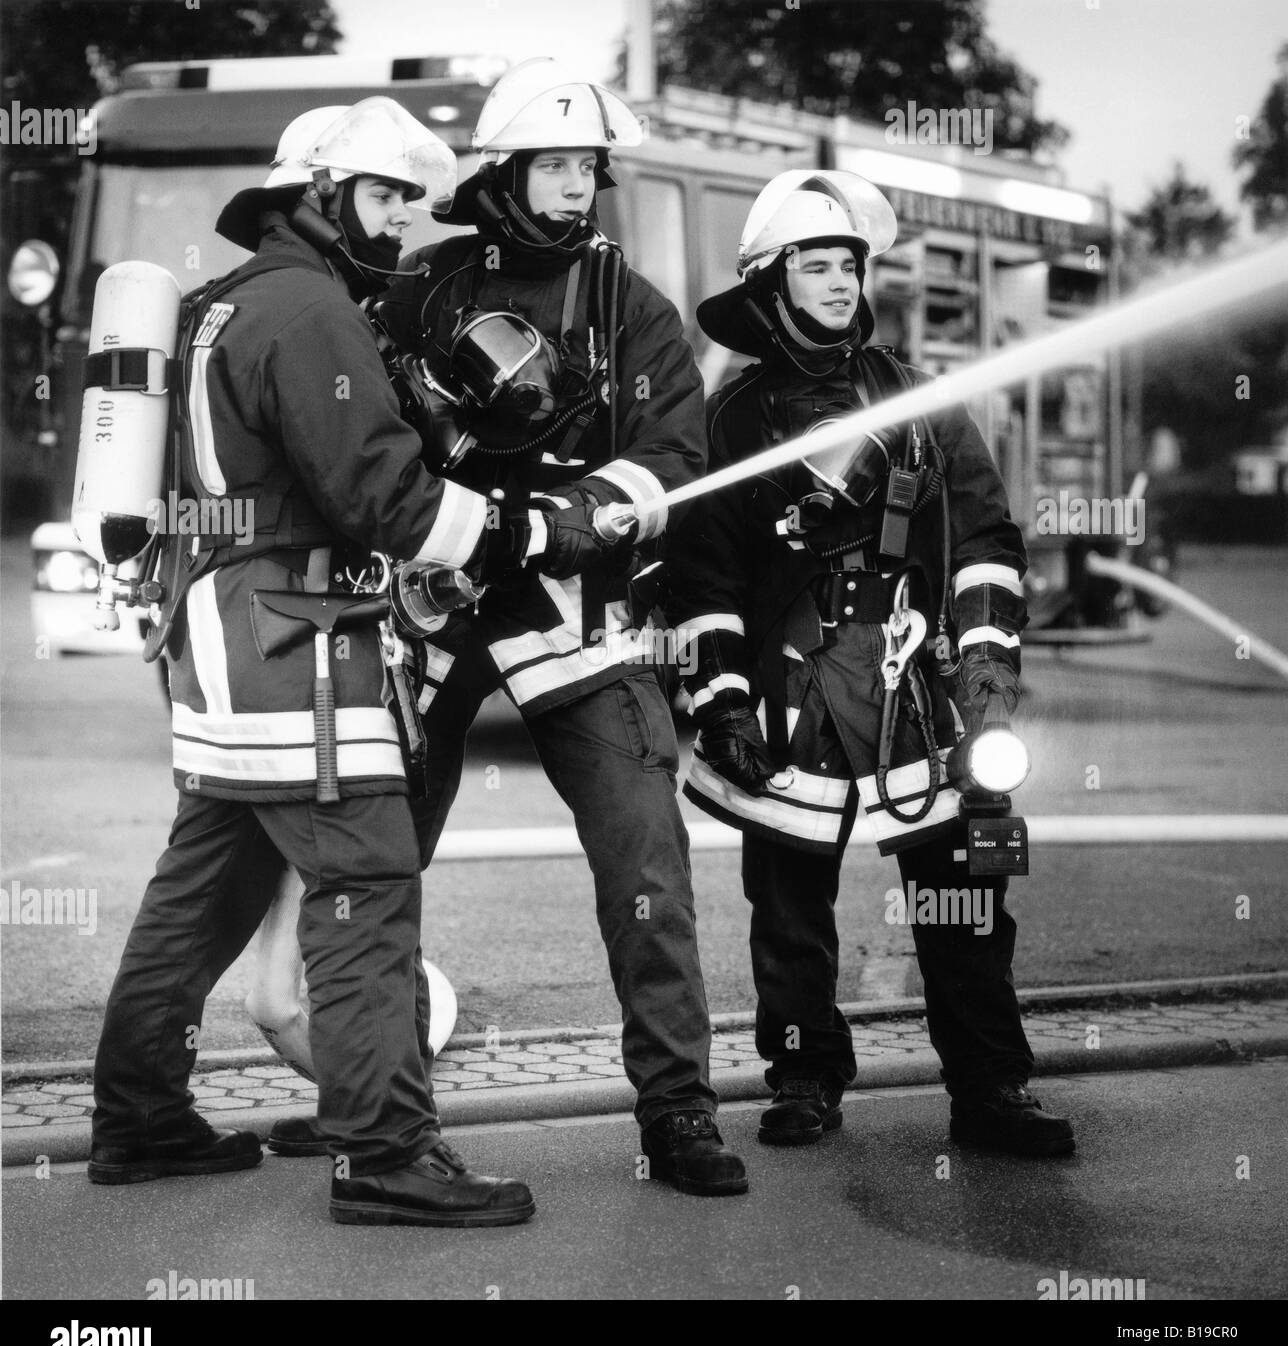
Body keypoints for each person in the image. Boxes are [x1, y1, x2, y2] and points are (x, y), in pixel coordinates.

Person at [272, 59, 746, 1197]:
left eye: (589, 166)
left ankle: (677, 1112)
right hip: (431, 613)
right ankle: (373, 1111)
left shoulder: (630, 308)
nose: (578, 187)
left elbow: (673, 457)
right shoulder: (420, 284)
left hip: (577, 619)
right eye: (556, 165)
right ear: (507, 168)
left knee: (645, 863)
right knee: (377, 866)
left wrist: (561, 517)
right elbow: (351, 431)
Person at [89, 98, 536, 1227]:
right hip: (301, 653)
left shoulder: (216, 305)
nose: (400, 223)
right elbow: (378, 496)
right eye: (385, 197)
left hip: (214, 640)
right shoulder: (311, 312)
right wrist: (515, 531)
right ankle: (385, 1155)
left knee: (204, 892)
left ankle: (138, 1119)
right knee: (368, 888)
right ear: (323, 194)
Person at [665, 170, 1075, 1157]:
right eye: (818, 264)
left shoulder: (919, 400)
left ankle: (990, 1089)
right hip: (789, 694)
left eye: (850, 262)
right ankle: (804, 1079)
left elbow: (983, 540)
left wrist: (984, 689)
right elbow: (701, 573)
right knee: (790, 911)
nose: (843, 280)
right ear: (772, 282)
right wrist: (719, 699)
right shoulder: (731, 419)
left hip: (914, 690)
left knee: (965, 901)